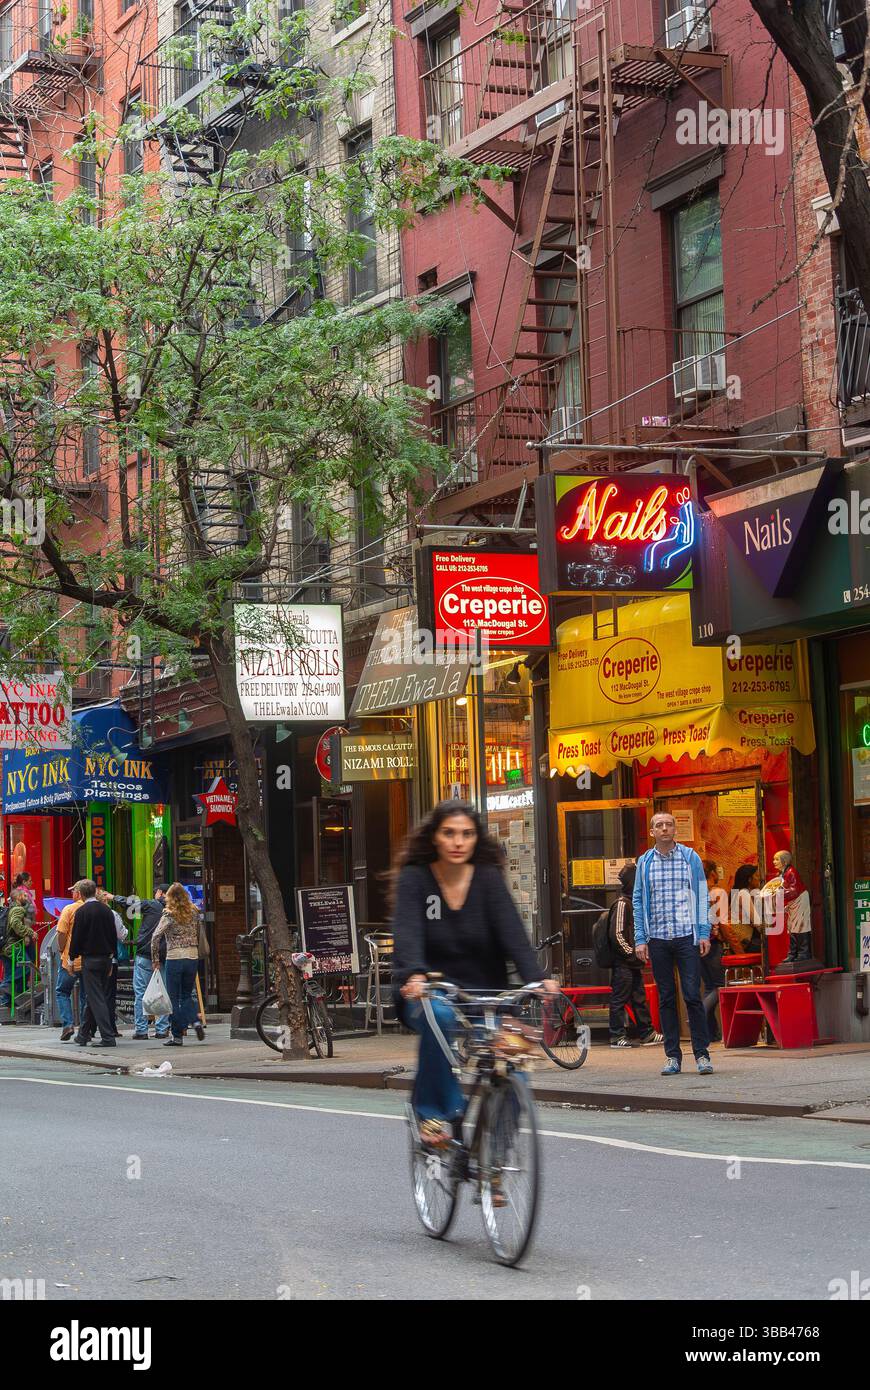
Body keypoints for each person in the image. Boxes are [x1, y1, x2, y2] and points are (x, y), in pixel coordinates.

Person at [391, 801, 559, 1148]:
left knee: (514, 1063)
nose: (458, 842)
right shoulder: (416, 879)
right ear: (435, 837)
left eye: (467, 834)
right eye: (449, 833)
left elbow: (513, 933)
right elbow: (408, 933)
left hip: (486, 997)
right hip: (430, 990)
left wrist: (538, 979)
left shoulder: (487, 879)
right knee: (437, 1017)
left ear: (476, 839)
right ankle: (434, 1113)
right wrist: (414, 975)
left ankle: (494, 1158)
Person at [632, 812, 713, 1076]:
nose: (664, 828)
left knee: (692, 995)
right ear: (652, 831)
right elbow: (638, 902)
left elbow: (702, 896)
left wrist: (703, 932)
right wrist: (640, 938)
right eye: (659, 825)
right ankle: (672, 1057)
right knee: (666, 998)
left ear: (675, 829)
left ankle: (702, 1054)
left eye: (668, 824)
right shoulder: (644, 863)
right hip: (657, 938)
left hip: (686, 937)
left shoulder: (690, 858)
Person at [607, 863, 662, 1049]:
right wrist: (631, 953)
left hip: (632, 962)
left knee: (639, 998)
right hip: (624, 962)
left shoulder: (633, 902)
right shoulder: (623, 904)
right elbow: (616, 935)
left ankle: (646, 1033)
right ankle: (616, 1036)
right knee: (619, 999)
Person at [150, 883, 206, 1046]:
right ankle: (195, 1022)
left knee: (173, 998)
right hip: (192, 956)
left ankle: (177, 1036)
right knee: (187, 995)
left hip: (174, 957)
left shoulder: (168, 914)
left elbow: (155, 937)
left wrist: (155, 959)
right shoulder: (194, 911)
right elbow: (197, 931)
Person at [70, 880, 120, 1047]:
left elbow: (76, 937)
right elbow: (113, 935)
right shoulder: (107, 911)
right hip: (106, 959)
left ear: (82, 894)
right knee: (95, 997)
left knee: (96, 998)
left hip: (90, 960)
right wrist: (113, 957)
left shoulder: (82, 911)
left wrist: (71, 958)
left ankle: (107, 1037)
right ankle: (83, 1035)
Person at [130, 885, 170, 1040]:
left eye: (156, 892)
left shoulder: (152, 905)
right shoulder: (177, 909)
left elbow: (131, 904)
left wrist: (113, 898)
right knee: (162, 994)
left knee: (140, 993)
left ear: (161, 893)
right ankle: (162, 1029)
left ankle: (141, 1030)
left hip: (146, 956)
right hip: (166, 957)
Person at [764, 851, 813, 963]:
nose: (774, 862)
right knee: (791, 927)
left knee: (800, 926)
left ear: (784, 861)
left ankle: (803, 952)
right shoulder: (782, 874)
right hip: (792, 902)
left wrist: (780, 892)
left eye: (776, 859)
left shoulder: (791, 872)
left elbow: (794, 890)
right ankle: (792, 953)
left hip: (799, 900)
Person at [56, 883, 86, 1042]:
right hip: (88, 960)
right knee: (85, 996)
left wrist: (62, 950)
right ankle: (84, 1028)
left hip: (70, 959)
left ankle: (68, 1025)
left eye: (73, 891)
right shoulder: (95, 908)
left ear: (79, 893)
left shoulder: (69, 909)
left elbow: (61, 933)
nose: (72, 894)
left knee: (62, 991)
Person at [96, 890, 129, 1038]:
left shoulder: (87, 913)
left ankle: (91, 1029)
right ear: (106, 900)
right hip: (110, 959)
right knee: (109, 995)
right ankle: (110, 1028)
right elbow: (122, 934)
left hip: (91, 960)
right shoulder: (112, 914)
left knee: (94, 994)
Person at [0, 890, 38, 1010]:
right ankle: (5, 985)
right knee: (27, 966)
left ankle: (6, 1001)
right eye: (24, 895)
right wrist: (30, 932)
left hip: (4, 947)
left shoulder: (10, 908)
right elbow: (15, 924)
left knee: (9, 972)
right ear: (18, 897)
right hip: (12, 946)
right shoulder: (18, 909)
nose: (26, 897)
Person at [731, 864, 763, 952]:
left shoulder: (737, 893)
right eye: (756, 875)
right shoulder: (743, 893)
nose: (759, 878)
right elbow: (757, 922)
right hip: (748, 942)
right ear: (749, 879)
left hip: (742, 941)